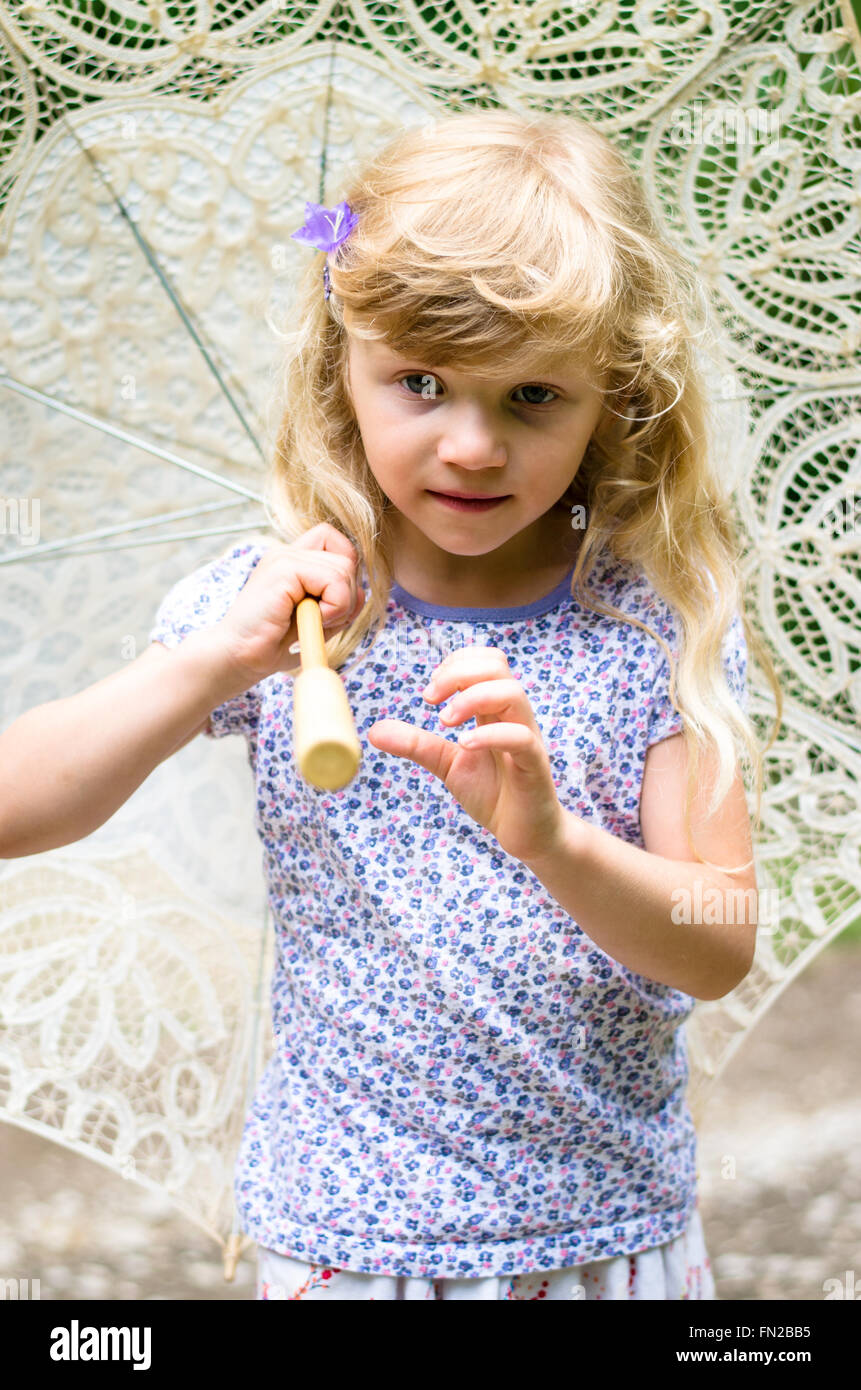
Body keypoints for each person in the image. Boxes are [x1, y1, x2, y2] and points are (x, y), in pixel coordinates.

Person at [0, 109, 782, 1300]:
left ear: (612, 398)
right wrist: (214, 663)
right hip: (342, 1242)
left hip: (599, 1240)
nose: (471, 444)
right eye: (420, 383)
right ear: (342, 366)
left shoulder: (647, 627)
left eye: (531, 398)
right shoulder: (290, 609)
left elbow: (718, 939)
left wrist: (554, 842)